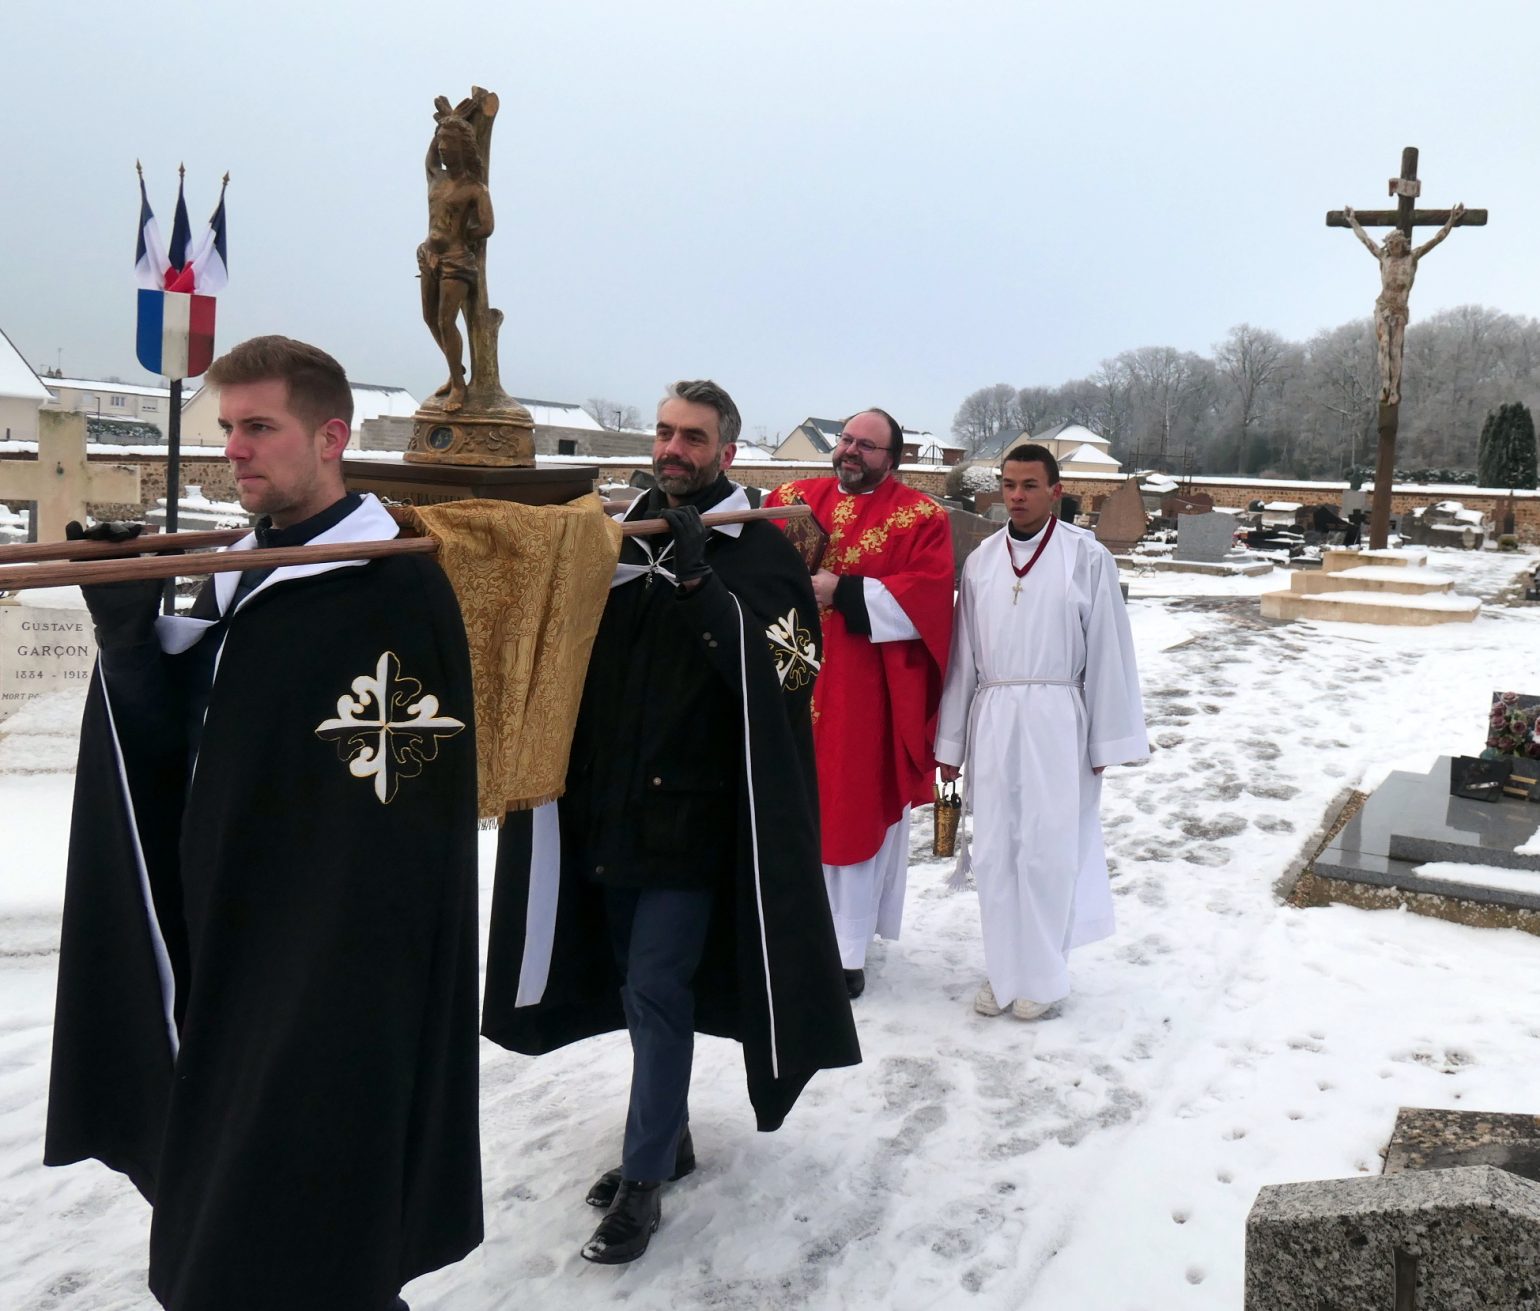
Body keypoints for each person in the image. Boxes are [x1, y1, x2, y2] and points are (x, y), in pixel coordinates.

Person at [45, 336, 483, 1311]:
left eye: (259, 427)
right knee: (271, 1227)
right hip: (228, 943)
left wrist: (334, 972)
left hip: (332, 970)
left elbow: (404, 819)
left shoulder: (393, 588)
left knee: (292, 1224)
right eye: (227, 428)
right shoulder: (237, 568)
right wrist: (127, 633)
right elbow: (189, 745)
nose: (235, 449)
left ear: (331, 436)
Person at [481, 378, 860, 1266]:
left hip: (698, 819)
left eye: (693, 436)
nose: (672, 449)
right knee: (633, 981)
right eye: (664, 432)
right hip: (609, 807)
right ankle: (673, 1132)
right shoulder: (609, 537)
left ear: (728, 450)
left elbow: (783, 687)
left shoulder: (760, 551)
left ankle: (645, 1173)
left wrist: (701, 586)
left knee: (657, 984)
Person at [934, 443, 1147, 1020]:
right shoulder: (980, 561)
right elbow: (963, 658)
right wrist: (951, 745)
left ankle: (1045, 976)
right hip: (995, 712)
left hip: (1058, 714)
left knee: (1049, 849)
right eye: (1009, 485)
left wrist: (1104, 740)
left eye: (1030, 485)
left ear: (1055, 491)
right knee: (999, 848)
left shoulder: (1086, 557)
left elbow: (1107, 648)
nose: (1018, 496)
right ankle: (1004, 971)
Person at [763, 410, 953, 999]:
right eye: (846, 440)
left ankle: (843, 952)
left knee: (846, 815)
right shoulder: (791, 497)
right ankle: (780, 934)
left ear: (892, 458)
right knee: (780, 807)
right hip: (783, 677)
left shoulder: (921, 517)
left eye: (867, 446)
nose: (851, 452)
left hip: (861, 690)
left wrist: (843, 590)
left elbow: (928, 597)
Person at [1342, 201, 1465, 405]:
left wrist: (1451, 220)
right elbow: (1366, 240)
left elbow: (1437, 239)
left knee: (1395, 348)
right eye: (1389, 244)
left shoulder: (1412, 258)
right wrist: (1352, 220)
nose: (1392, 247)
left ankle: (1394, 390)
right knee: (1383, 345)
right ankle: (1384, 384)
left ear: (1402, 243)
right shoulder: (1384, 258)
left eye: (1395, 244)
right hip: (1383, 306)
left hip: (1399, 308)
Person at [419, 109, 494, 411]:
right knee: (429, 318)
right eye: (440, 144)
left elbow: (487, 226)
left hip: (457, 259)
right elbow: (429, 160)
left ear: (463, 147)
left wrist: (462, 235)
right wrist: (442, 124)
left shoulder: (475, 188)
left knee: (445, 319)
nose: (443, 149)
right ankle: (455, 371)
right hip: (429, 256)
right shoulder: (435, 178)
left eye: (449, 143)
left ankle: (459, 387)